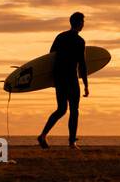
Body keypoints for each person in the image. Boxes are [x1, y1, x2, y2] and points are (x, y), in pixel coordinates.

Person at [37, 11, 88, 149]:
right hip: (71, 78)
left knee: (61, 109)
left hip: (59, 79)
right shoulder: (79, 41)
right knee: (74, 110)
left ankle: (43, 135)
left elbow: (50, 58)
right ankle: (72, 142)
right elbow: (82, 65)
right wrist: (86, 85)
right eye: (83, 22)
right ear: (79, 23)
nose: (84, 24)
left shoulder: (60, 37)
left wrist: (51, 79)